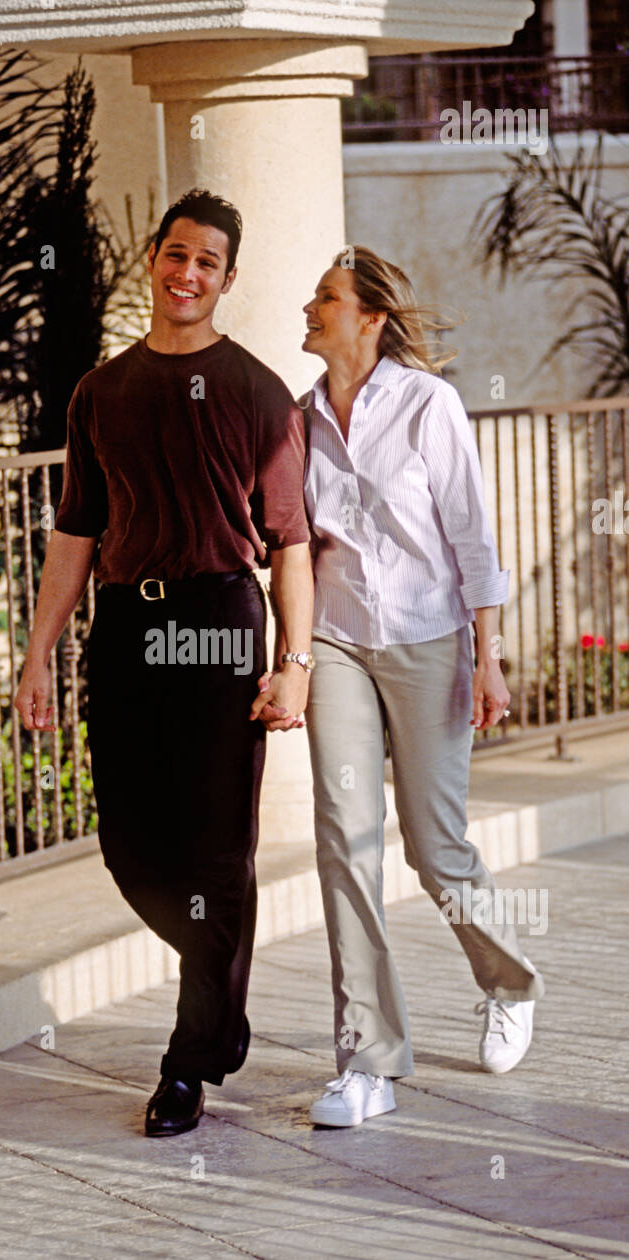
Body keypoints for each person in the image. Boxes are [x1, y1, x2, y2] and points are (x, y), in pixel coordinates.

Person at [14, 189, 314, 1137]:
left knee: (215, 847)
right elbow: (75, 532)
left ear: (227, 280)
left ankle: (188, 1059)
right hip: (125, 627)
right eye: (175, 255)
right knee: (131, 841)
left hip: (221, 621)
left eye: (208, 263)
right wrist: (37, 654)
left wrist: (294, 662)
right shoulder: (101, 391)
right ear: (154, 258)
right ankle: (222, 1005)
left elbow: (290, 543)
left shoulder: (258, 392)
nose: (187, 274)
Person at [287, 245, 545, 1128]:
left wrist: (488, 653)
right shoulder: (302, 417)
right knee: (343, 842)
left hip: (431, 640)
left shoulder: (426, 404)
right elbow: (291, 542)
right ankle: (366, 1061)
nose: (309, 307)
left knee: (434, 848)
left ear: (369, 317)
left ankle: (508, 981)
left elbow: (470, 533)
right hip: (340, 645)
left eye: (325, 298)